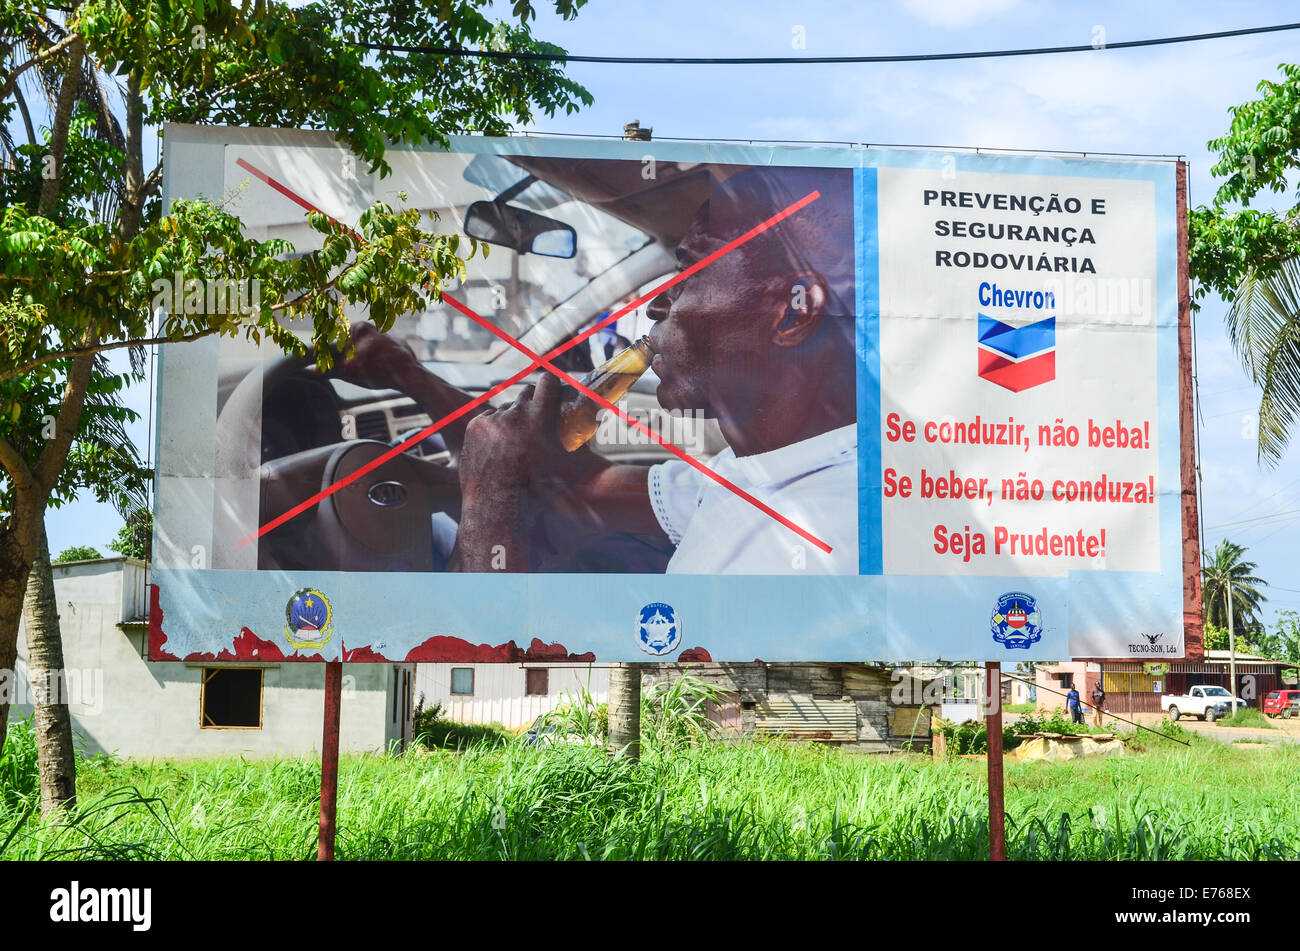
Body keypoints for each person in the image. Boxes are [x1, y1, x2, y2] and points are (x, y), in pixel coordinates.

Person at [336, 165, 858, 574]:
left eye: (688, 272)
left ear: (791, 311)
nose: (655, 307)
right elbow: (573, 485)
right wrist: (408, 374)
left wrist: (488, 501)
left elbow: (471, 651)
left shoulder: (810, 540)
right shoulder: (750, 471)